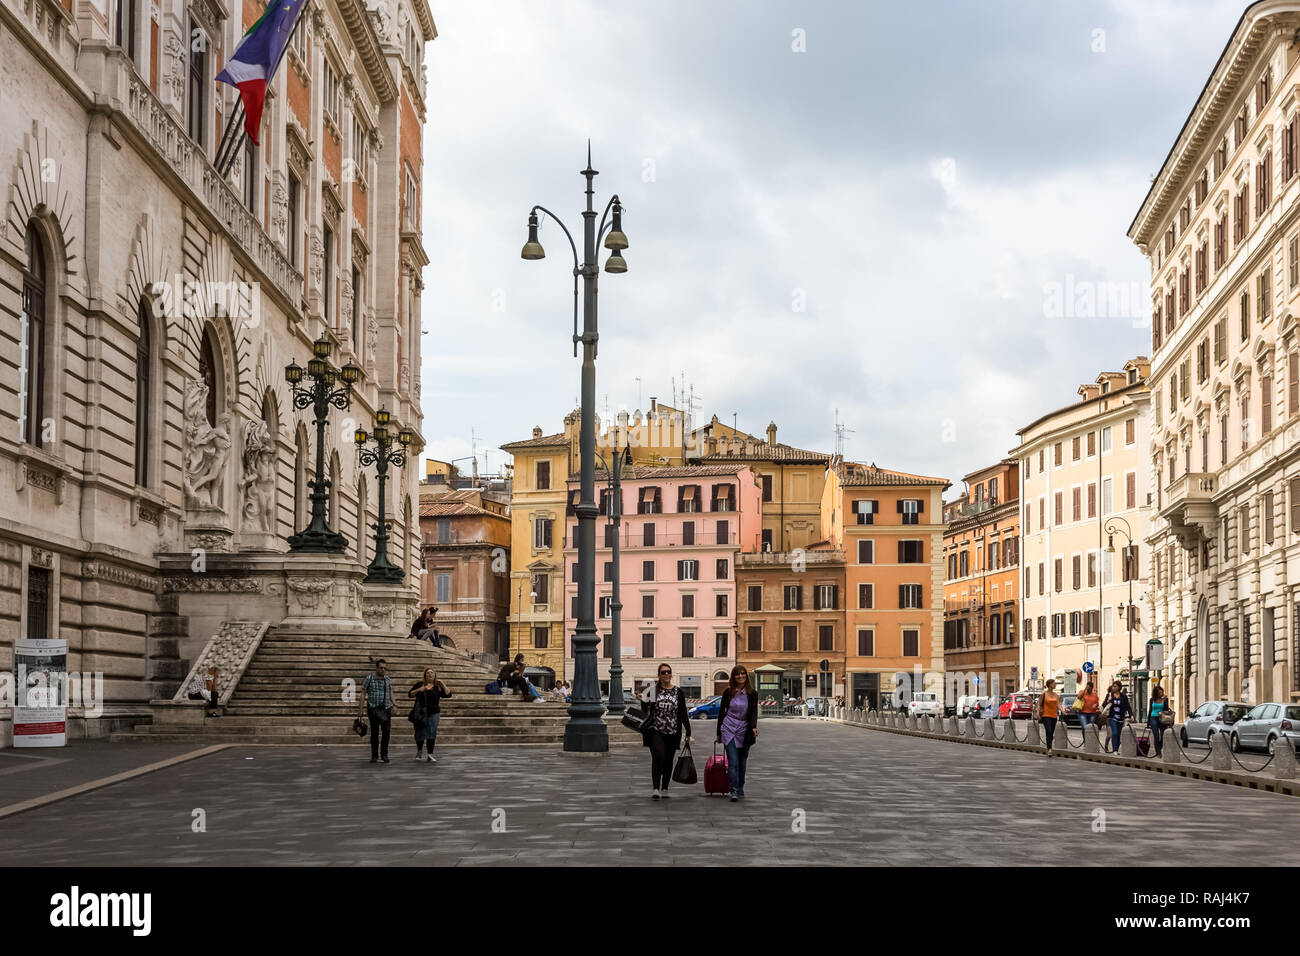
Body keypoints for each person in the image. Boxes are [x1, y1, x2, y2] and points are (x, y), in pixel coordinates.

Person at [641, 663, 691, 799]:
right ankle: (656, 788)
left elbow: (682, 713)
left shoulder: (678, 692)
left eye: (668, 672)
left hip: (673, 731)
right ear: (659, 675)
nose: (666, 674)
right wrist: (643, 700)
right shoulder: (652, 691)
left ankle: (664, 788)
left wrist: (688, 731)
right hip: (655, 730)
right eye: (663, 672)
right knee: (658, 756)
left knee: (668, 760)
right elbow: (644, 710)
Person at [715, 664, 758, 801]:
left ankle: (740, 787)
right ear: (734, 677)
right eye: (737, 674)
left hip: (744, 729)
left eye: (743, 673)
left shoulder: (752, 693)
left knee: (742, 762)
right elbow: (722, 712)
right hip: (729, 727)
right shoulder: (728, 693)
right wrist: (719, 733)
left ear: (746, 676)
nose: (740, 676)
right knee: (733, 761)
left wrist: (753, 727)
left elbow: (753, 713)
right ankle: (733, 790)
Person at [407, 667, 452, 762]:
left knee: (432, 732)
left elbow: (448, 694)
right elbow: (410, 694)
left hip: (434, 713)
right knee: (419, 733)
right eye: (428, 673)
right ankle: (419, 751)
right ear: (425, 675)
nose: (430, 674)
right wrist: (420, 689)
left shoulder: (437, 687)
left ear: (435, 675)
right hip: (420, 713)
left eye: (432, 673)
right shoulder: (420, 684)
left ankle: (430, 754)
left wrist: (442, 683)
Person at [360, 659, 393, 763]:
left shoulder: (387, 679)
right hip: (373, 709)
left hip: (385, 709)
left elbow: (390, 691)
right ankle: (374, 755)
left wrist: (395, 703)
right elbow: (363, 693)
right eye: (381, 668)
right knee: (374, 732)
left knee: (386, 732)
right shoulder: (369, 678)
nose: (383, 670)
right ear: (376, 668)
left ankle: (384, 754)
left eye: (384, 668)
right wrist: (360, 710)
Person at [1101, 681, 1133, 753]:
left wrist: (1131, 715)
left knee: (1119, 734)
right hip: (1112, 717)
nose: (1113, 687)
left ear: (1119, 687)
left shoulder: (1123, 696)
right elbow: (1103, 705)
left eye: (1115, 686)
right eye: (1113, 686)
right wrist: (1108, 701)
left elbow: (1127, 706)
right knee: (1114, 733)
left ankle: (1116, 749)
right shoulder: (1109, 695)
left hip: (1121, 718)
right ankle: (1115, 750)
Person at [1034, 679, 1061, 757]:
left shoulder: (1056, 694)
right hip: (1046, 715)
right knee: (1048, 731)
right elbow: (1039, 704)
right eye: (1054, 683)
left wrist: (1063, 710)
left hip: (1054, 716)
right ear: (1050, 685)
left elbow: (1058, 704)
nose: (1055, 685)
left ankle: (1049, 745)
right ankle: (1049, 749)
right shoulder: (1044, 694)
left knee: (1051, 733)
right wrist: (1038, 713)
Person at [1147, 684, 1172, 757]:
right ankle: (1158, 752)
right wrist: (1148, 722)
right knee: (1156, 736)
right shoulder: (1152, 700)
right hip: (1153, 717)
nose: (1161, 694)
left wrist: (1165, 701)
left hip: (1162, 718)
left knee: (1162, 735)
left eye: (1162, 692)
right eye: (1160, 692)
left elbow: (1166, 709)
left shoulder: (1165, 699)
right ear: (1156, 693)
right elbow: (1150, 710)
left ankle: (1159, 748)